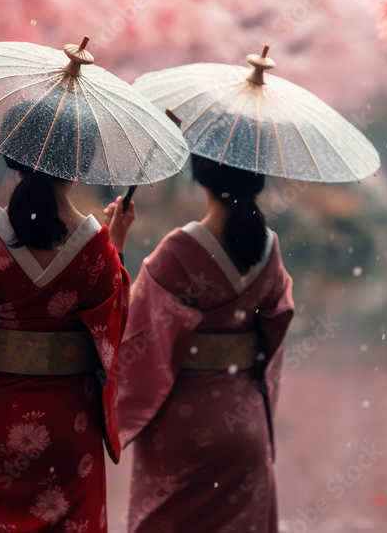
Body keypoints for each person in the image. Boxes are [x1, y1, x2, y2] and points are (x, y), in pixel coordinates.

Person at [0, 102, 135, 533]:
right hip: (68, 429)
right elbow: (116, 327)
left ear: (12, 155)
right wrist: (119, 245)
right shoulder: (97, 248)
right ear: (80, 164)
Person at [113, 155, 295, 533]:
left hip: (184, 422)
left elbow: (132, 333)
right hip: (245, 419)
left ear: (202, 176)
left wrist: (115, 247)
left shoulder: (178, 251)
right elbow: (276, 323)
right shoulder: (269, 251)